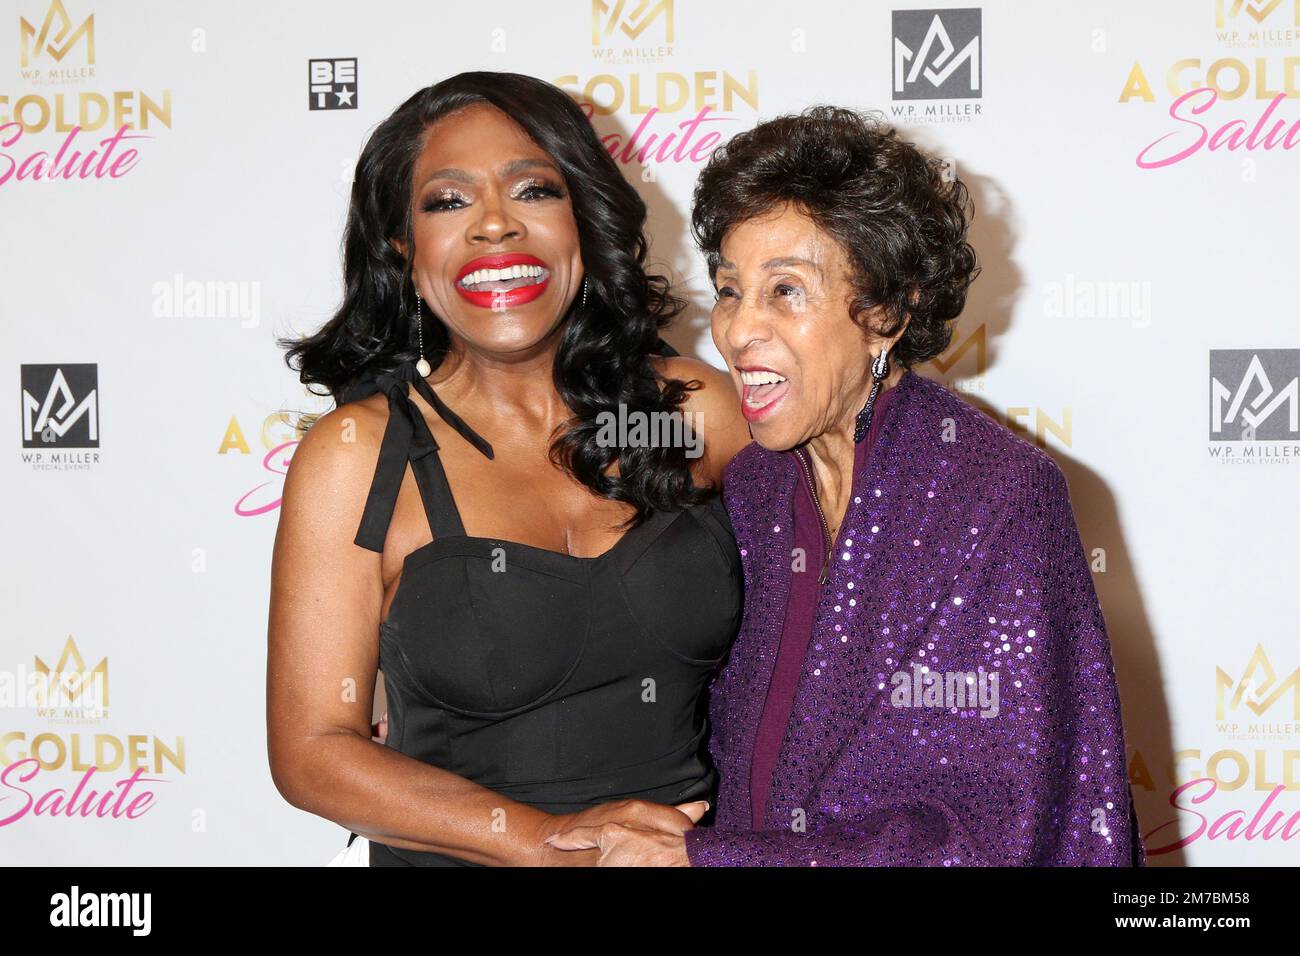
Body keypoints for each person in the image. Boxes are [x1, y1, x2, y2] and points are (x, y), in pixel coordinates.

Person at [548, 106, 1145, 866]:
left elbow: (998, 828)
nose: (737, 331)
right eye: (730, 290)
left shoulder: (996, 495)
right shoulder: (758, 484)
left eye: (785, 291)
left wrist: (715, 861)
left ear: (886, 313)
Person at [266, 71, 752, 866]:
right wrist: (544, 842)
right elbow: (313, 750)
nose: (494, 225)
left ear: (583, 222)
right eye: (448, 202)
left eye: (534, 189)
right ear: (402, 245)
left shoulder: (690, 411)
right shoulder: (359, 457)